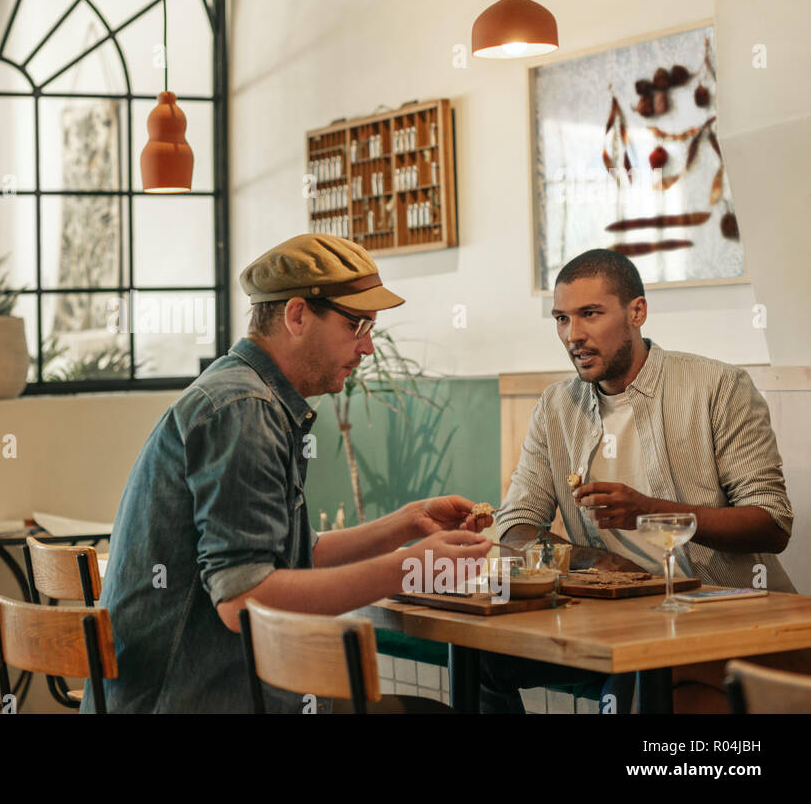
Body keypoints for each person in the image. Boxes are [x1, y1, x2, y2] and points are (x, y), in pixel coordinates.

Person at [80, 234, 492, 714]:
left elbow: (295, 556)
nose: (368, 348)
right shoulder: (244, 409)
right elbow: (244, 600)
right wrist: (411, 566)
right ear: (297, 315)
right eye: (356, 324)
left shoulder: (244, 394)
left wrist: (406, 522)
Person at [488, 248, 798, 713]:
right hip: (615, 616)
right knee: (485, 660)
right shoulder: (556, 408)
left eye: (590, 314)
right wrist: (597, 561)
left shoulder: (718, 387)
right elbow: (515, 527)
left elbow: (771, 524)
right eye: (561, 319)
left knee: (639, 686)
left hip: (720, 615)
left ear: (637, 311)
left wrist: (650, 511)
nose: (573, 335)